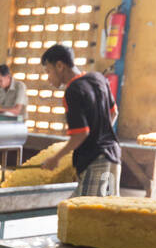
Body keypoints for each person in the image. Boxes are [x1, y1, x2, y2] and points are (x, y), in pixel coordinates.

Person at [40, 43, 121, 195]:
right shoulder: (98, 78)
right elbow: (114, 112)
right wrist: (100, 136)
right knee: (107, 212)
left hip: (96, 161)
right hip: (114, 156)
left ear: (60, 66)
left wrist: (55, 158)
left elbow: (80, 133)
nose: (48, 78)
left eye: (48, 71)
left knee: (85, 215)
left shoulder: (73, 90)